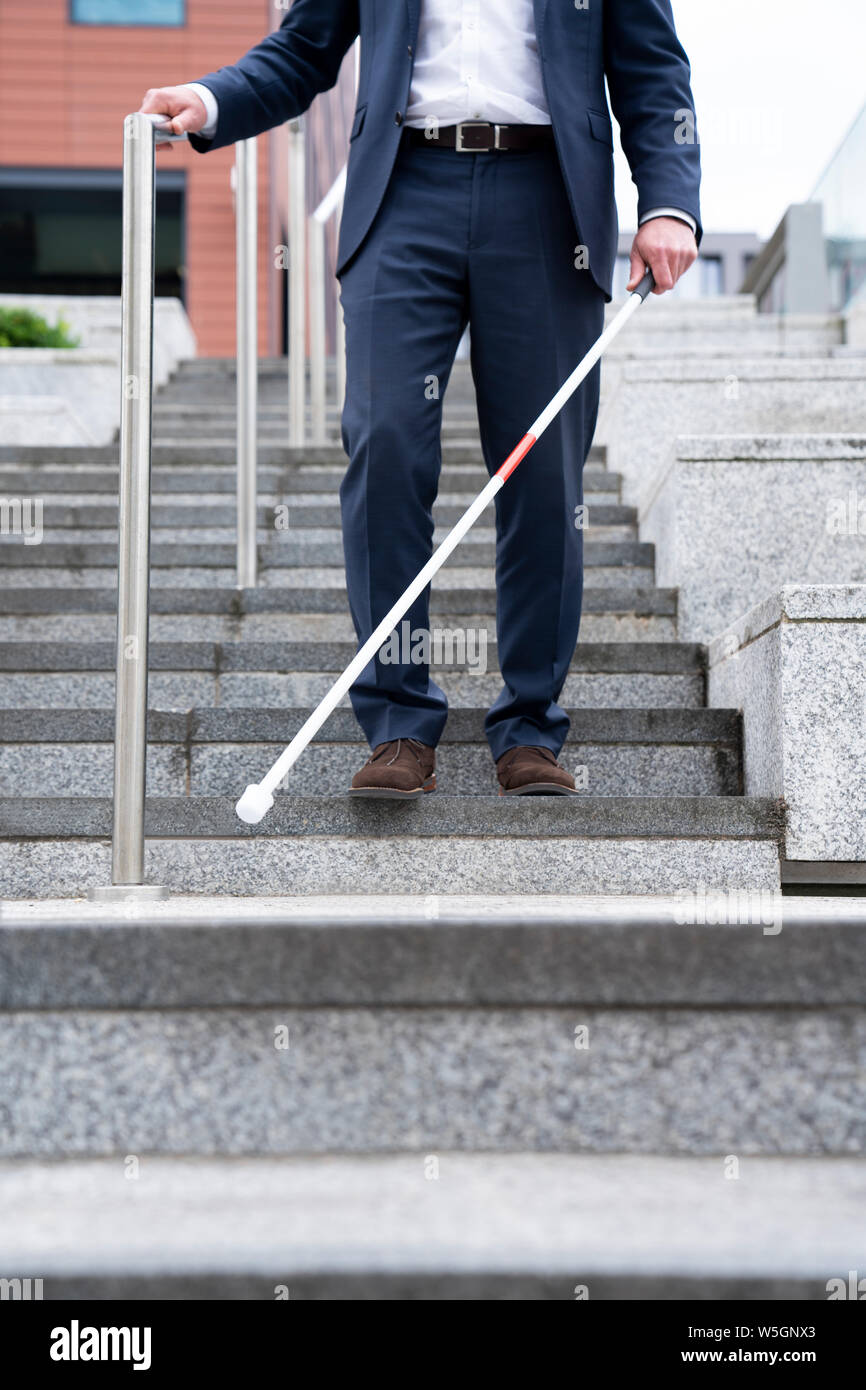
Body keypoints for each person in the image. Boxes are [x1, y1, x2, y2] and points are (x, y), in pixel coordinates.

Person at [141, 0, 700, 798]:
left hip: (549, 202)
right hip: (403, 193)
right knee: (387, 441)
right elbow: (305, 49)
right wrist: (213, 100)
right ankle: (399, 722)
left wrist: (668, 202)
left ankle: (530, 727)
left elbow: (653, 71)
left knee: (544, 471)